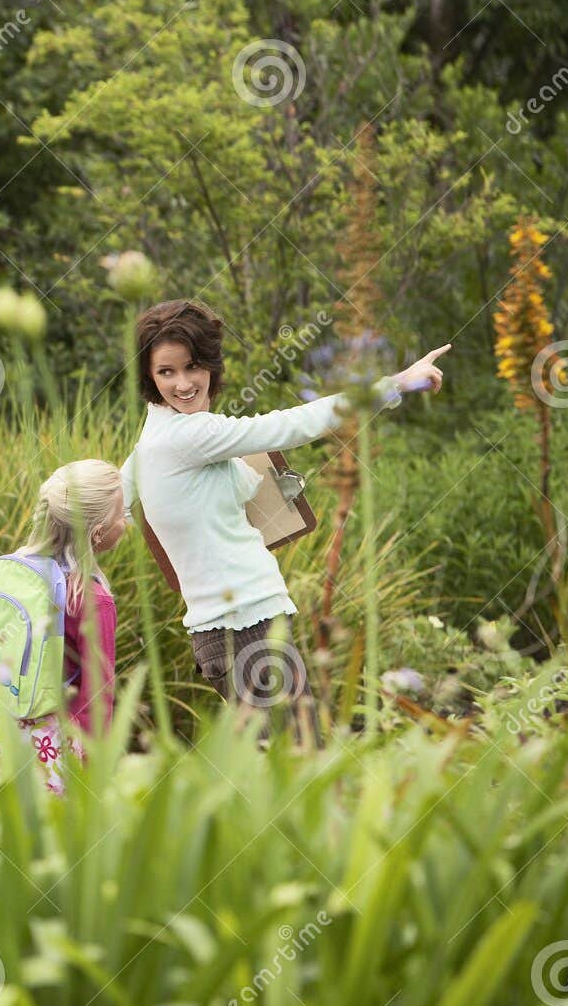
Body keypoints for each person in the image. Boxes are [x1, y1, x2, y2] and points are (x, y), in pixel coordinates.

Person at [120, 299, 447, 737]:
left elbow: (110, 498)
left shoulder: (154, 438)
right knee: (301, 768)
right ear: (149, 377)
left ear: (212, 365)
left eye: (193, 366)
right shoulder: (188, 435)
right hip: (245, 630)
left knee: (287, 774)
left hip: (240, 629)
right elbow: (292, 424)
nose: (183, 383)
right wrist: (397, 383)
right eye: (166, 372)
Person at [0, 460, 125, 793]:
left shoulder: (16, 572)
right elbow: (98, 691)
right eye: (122, 514)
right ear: (98, 533)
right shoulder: (91, 598)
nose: (125, 522)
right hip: (54, 743)